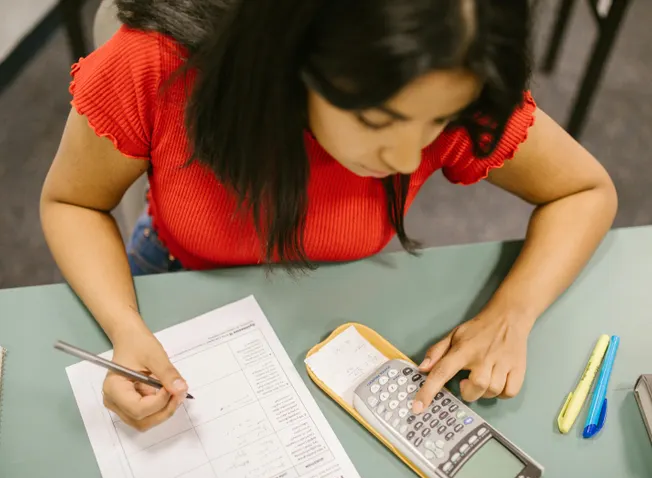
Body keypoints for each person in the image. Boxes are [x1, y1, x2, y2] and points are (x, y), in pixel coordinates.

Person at [40, 0, 617, 432]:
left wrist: (512, 314)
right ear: (297, 61)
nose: (409, 158)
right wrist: (125, 327)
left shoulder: (453, 64)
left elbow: (584, 191)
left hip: (331, 313)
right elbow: (73, 202)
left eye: (439, 121)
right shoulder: (155, 64)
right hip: (173, 275)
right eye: (379, 121)